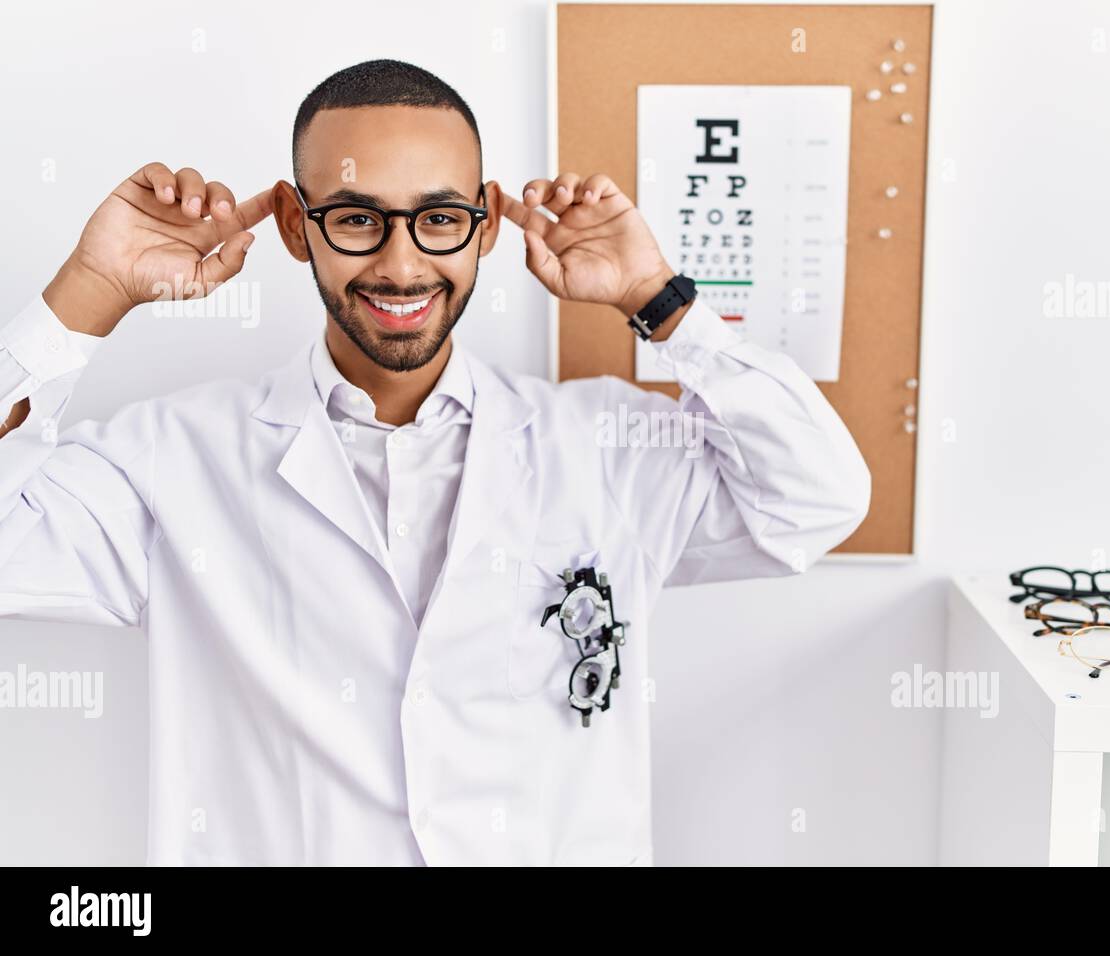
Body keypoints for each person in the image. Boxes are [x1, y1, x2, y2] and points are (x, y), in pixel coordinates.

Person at [0, 59, 870, 865]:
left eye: (441, 218)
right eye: (355, 218)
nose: (403, 261)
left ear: (486, 224)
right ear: (299, 229)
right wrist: (92, 287)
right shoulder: (176, 460)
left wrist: (660, 298)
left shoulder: (606, 450)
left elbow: (814, 499)